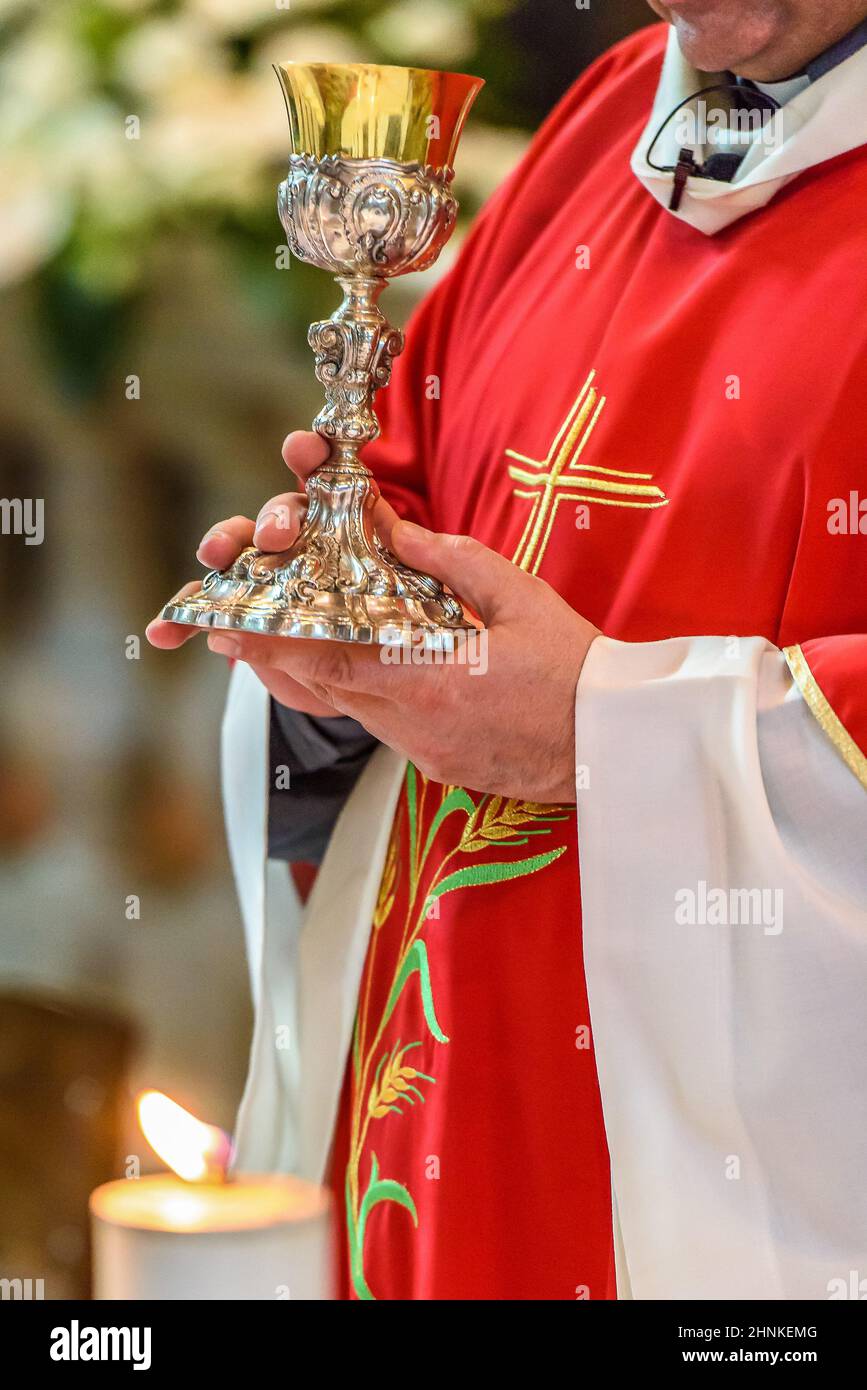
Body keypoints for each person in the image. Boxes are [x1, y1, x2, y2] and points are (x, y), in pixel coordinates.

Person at [148, 0, 867, 1300]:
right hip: (453, 1134)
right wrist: (333, 676)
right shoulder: (606, 122)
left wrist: (612, 724)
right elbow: (421, 504)